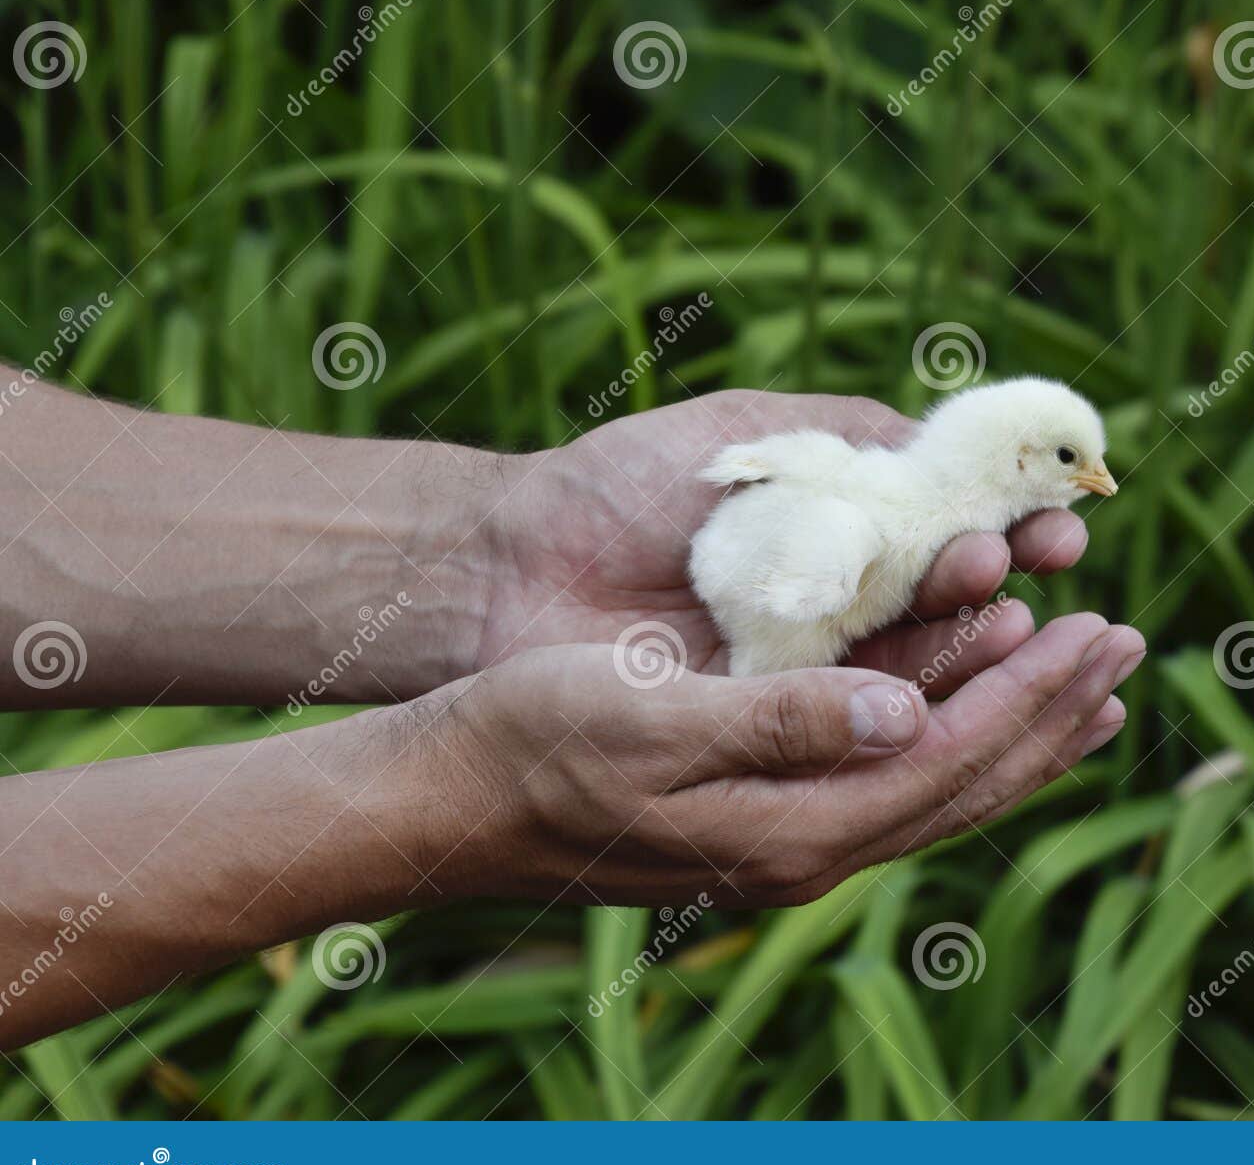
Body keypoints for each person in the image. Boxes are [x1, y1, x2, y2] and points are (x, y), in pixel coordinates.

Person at [0, 369, 1144, 1048]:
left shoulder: (880, 493)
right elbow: (791, 562)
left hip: (788, 557)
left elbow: (782, 477)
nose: (1092, 482)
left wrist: (496, 551)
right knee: (814, 586)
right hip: (787, 575)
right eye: (1070, 461)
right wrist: (448, 793)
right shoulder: (865, 514)